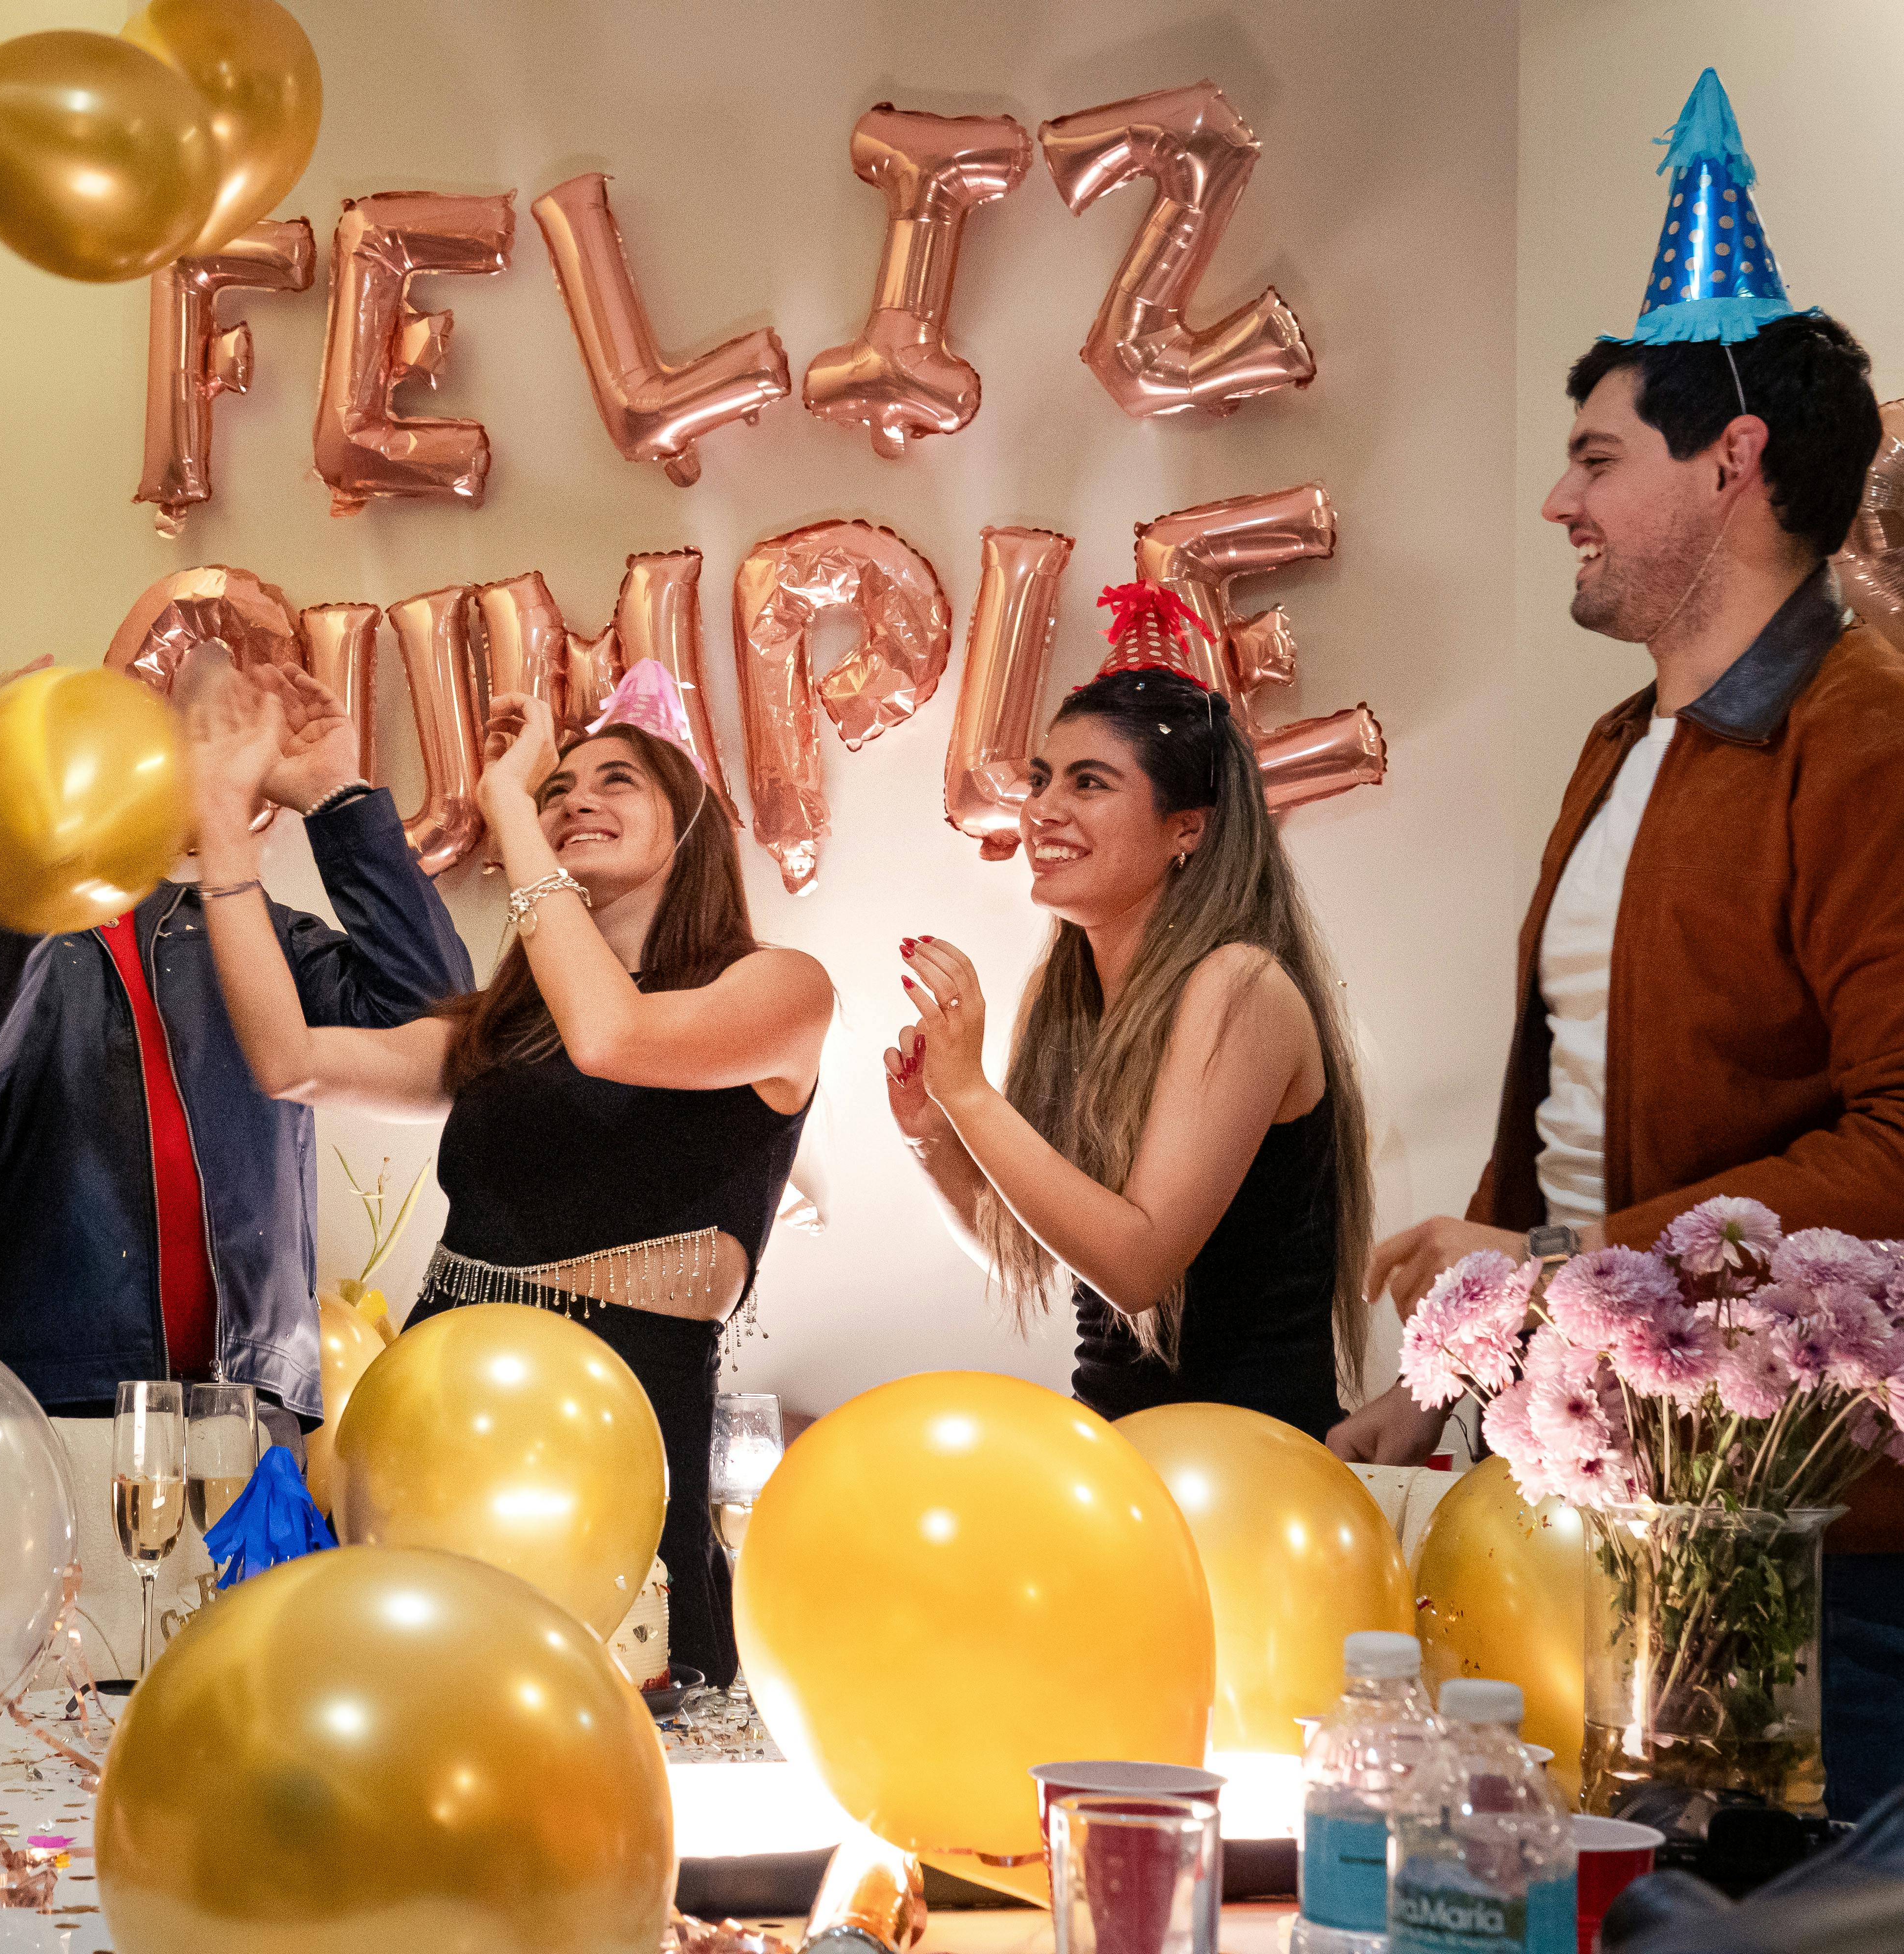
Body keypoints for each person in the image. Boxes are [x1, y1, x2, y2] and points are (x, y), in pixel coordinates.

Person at [1324, 312, 1904, 1814]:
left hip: (1806, 1554)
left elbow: (1898, 1148)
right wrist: (1460, 1364)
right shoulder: (1617, 741)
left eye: (1596, 457)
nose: (1557, 504)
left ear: (1734, 464)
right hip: (1604, 1508)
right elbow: (1567, 1115)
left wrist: (1544, 1268)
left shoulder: (1868, 743)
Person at [180, 660, 833, 1686]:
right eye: (558, 787)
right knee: (430, 1712)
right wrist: (224, 820)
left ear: (691, 826)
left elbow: (613, 1034)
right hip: (447, 1418)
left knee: (620, 1723)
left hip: (619, 1417)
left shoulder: (778, 989)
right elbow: (289, 1059)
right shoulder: (502, 1028)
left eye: (617, 781)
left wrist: (508, 804)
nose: (575, 798)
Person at [0, 653, 471, 1430]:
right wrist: (30, 876)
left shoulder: (228, 918)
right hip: (24, 1397)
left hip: (246, 1404)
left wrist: (335, 799)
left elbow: (430, 1022)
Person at [886, 649, 1375, 1439]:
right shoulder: (1068, 995)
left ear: (1188, 829)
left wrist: (972, 1097)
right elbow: (1031, 1252)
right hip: (1122, 1460)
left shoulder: (1238, 983)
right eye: (1041, 779)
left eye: (1089, 782)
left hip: (1249, 1474)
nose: (1042, 809)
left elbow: (1138, 1269)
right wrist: (931, 1133)